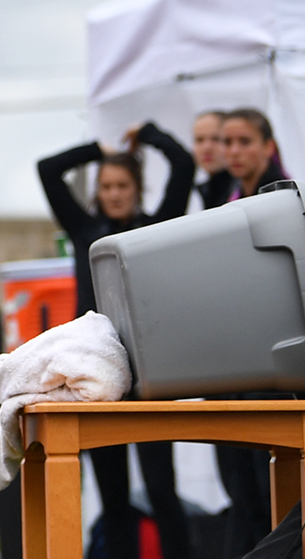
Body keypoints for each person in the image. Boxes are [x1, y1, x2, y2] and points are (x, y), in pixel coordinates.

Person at [37, 123, 196, 559]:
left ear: (137, 188)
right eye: (106, 186)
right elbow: (48, 170)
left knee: (162, 489)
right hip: (99, 376)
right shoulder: (84, 228)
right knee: (114, 498)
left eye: (122, 185)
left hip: (149, 375)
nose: (114, 193)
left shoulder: (155, 227)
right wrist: (97, 149)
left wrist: (147, 134)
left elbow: (183, 164)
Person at [203, 106, 289, 555]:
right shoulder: (227, 199)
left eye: (243, 141)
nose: (232, 151)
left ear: (267, 147)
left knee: (271, 485)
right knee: (239, 486)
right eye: (227, 142)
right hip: (233, 366)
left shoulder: (284, 197)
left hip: (273, 369)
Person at [191, 109, 230, 208]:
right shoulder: (205, 190)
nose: (207, 148)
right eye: (199, 140)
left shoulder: (242, 190)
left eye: (216, 139)